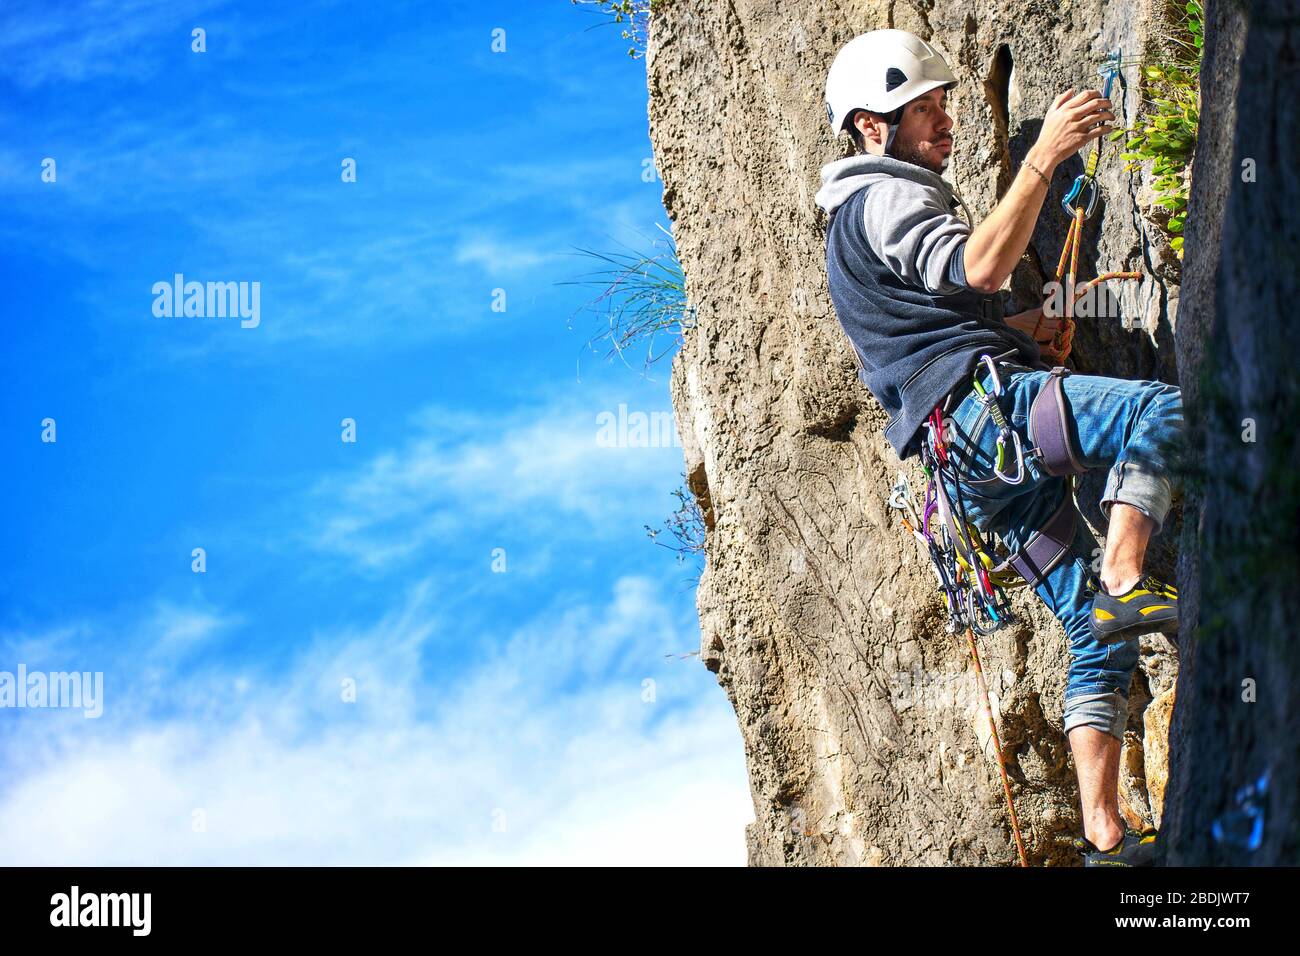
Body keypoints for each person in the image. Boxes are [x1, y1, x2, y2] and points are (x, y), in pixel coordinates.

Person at [815, 29, 1181, 867]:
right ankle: (1128, 576)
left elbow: (927, 333)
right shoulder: (891, 196)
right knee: (1160, 413)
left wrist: (1018, 330)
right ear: (874, 125)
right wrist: (1044, 156)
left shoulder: (846, 229)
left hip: (969, 469)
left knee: (1090, 631)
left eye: (945, 104)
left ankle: (1105, 833)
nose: (944, 123)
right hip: (990, 421)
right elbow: (978, 266)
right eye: (926, 109)